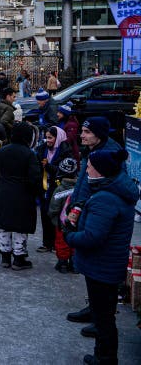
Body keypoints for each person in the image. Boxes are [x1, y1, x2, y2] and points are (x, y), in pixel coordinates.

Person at [63, 149, 138, 365]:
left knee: (104, 317)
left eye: (89, 166)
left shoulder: (105, 198)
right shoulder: (112, 191)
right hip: (107, 263)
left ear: (100, 170)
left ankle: (105, 357)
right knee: (103, 313)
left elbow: (92, 237)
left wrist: (70, 235)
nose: (86, 169)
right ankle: (104, 354)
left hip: (102, 265)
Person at [0, 122, 42, 270]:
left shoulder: (2, 151)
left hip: (4, 192)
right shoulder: (29, 154)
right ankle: (19, 258)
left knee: (4, 225)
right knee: (20, 227)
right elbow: (35, 177)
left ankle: (5, 257)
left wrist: (0, 183)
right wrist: (35, 193)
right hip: (23, 194)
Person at [34, 126, 73, 253]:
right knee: (45, 214)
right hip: (43, 187)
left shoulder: (66, 150)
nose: (48, 140)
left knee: (57, 215)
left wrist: (49, 167)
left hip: (59, 188)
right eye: (46, 137)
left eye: (50, 137)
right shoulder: (42, 149)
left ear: (58, 138)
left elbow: (65, 171)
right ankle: (47, 243)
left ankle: (59, 243)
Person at [48, 157, 78, 273]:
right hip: (76, 223)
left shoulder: (59, 190)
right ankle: (74, 264)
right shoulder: (79, 189)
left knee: (62, 242)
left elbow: (53, 208)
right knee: (75, 242)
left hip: (62, 223)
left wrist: (55, 221)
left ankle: (63, 263)